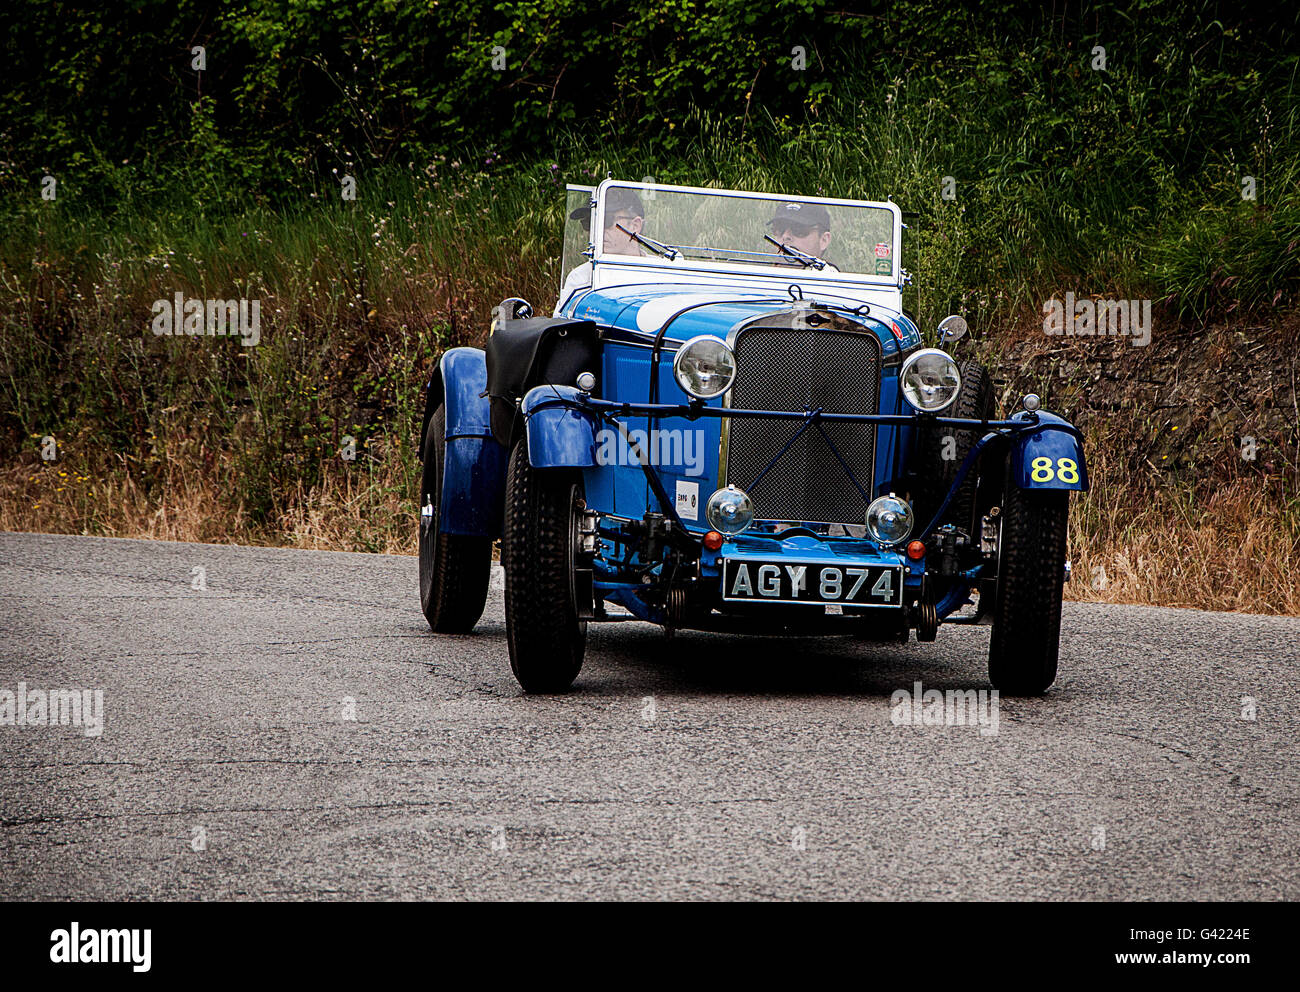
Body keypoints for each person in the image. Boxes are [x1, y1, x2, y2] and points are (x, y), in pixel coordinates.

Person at [558, 188, 649, 308]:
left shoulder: (663, 273)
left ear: (635, 225)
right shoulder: (581, 278)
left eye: (606, 221)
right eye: (590, 223)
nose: (597, 231)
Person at [767, 201, 838, 270]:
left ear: (824, 240)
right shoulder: (759, 275)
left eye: (798, 229)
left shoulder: (835, 280)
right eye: (780, 228)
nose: (786, 236)